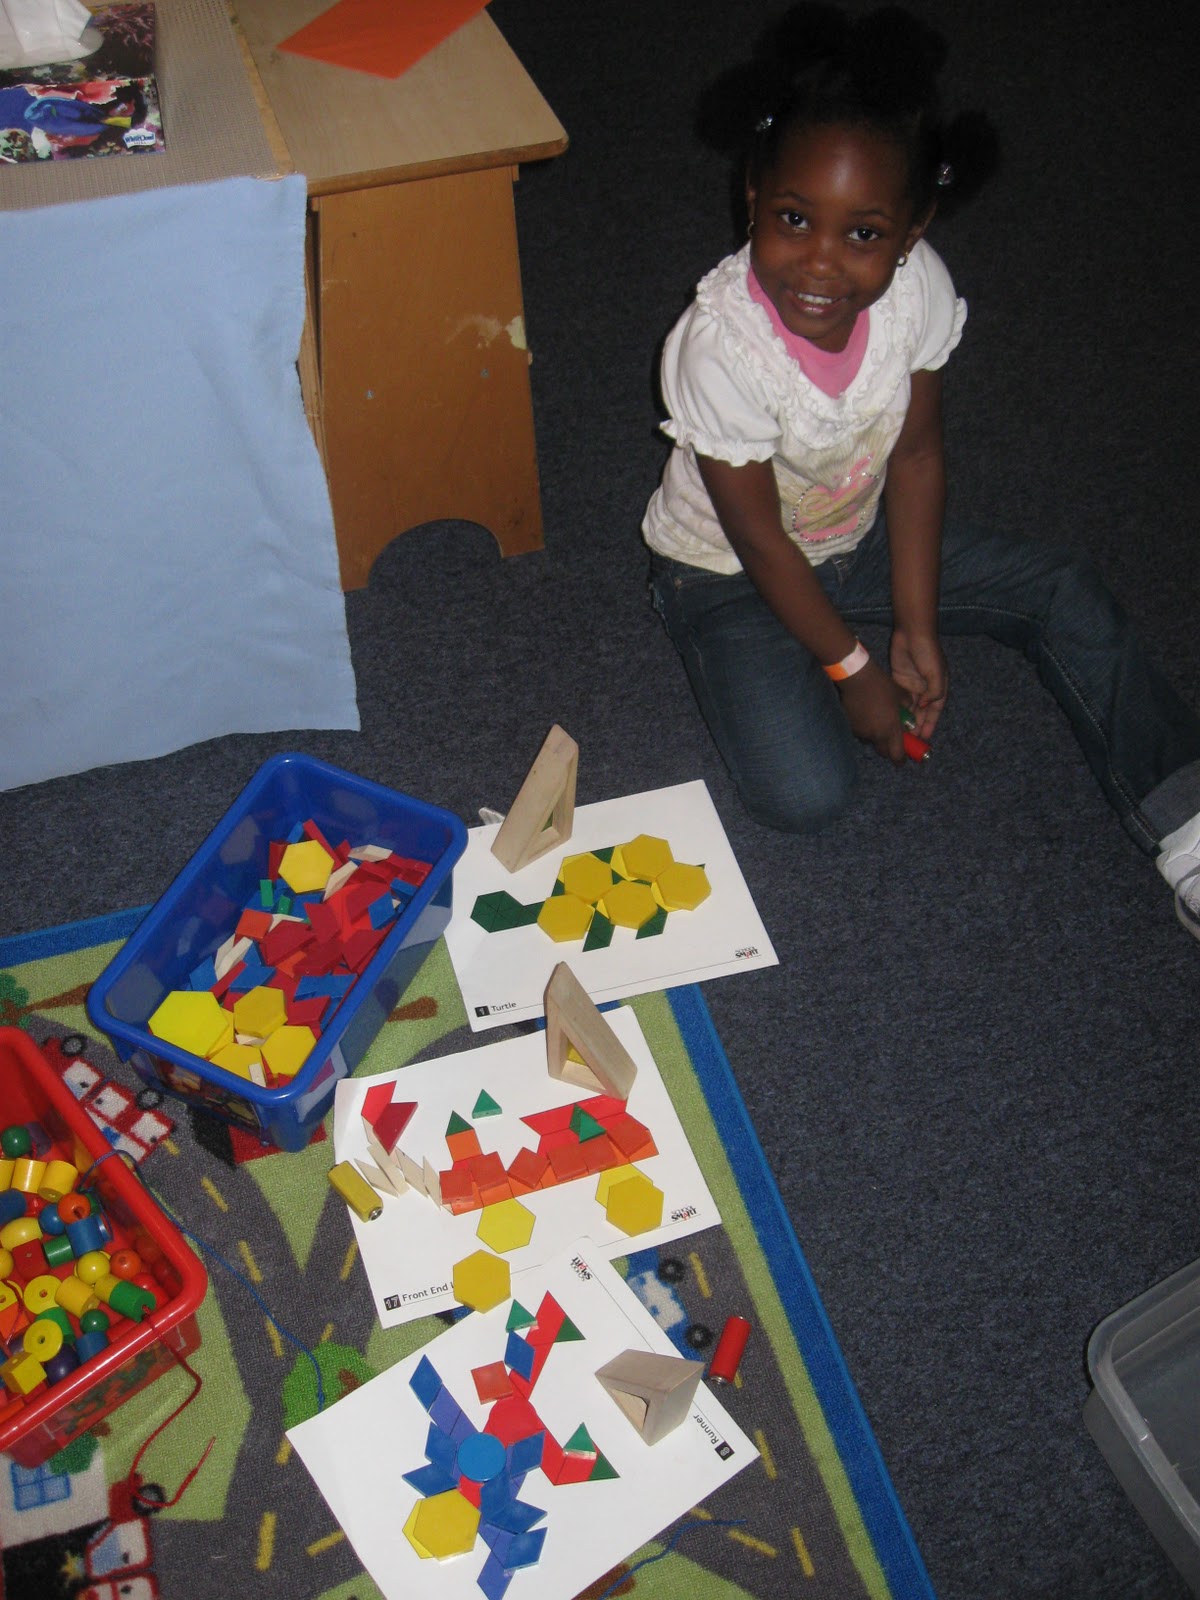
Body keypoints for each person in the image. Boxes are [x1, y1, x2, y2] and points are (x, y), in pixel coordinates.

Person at [643, 3, 1200, 940]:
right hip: (726, 572)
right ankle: (752, 643)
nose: (820, 264)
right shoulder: (717, 346)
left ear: (911, 231)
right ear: (752, 194)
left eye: (863, 234)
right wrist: (852, 666)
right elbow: (760, 538)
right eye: (793, 219)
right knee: (808, 795)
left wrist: (915, 620)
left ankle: (1188, 823)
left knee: (1062, 586)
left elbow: (916, 453)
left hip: (853, 533)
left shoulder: (920, 290)